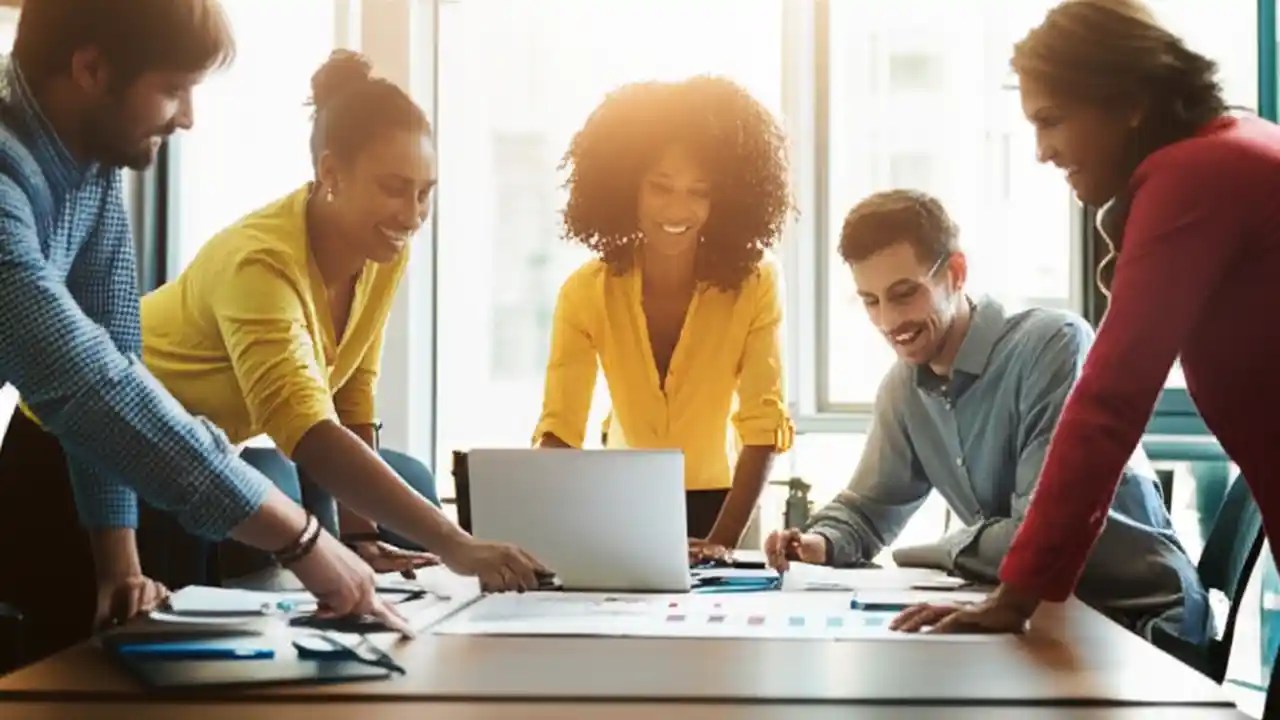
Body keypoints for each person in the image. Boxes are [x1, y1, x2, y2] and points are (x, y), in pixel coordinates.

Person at [0, 0, 410, 651]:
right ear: (91, 68)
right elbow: (88, 386)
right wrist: (305, 540)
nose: (187, 117)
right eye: (172, 89)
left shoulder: (90, 170)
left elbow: (114, 365)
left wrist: (121, 571)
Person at [889, 0, 1280, 653]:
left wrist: (1015, 597)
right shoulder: (1235, 142)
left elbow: (1110, 400)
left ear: (1127, 101)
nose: (1042, 151)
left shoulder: (1192, 176)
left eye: (1052, 121)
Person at [141, 50, 546, 591]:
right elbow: (308, 432)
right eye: (394, 188)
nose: (412, 215)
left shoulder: (381, 253)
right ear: (331, 172)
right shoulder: (259, 262)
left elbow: (351, 390)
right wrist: (455, 543)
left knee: (405, 479)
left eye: (425, 193)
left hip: (188, 455)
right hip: (98, 450)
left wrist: (360, 536)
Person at [763, 190, 1209, 643]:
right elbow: (869, 509)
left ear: (956, 273)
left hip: (1137, 621)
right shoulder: (904, 388)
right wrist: (819, 543)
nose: (888, 321)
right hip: (1034, 619)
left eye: (904, 294)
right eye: (870, 301)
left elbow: (1036, 533)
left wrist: (937, 550)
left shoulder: (1053, 345)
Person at [534, 76, 795, 553]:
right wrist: (550, 532)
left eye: (700, 191)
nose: (679, 208)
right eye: (661, 187)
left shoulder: (757, 282)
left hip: (729, 506)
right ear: (627, 187)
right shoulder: (585, 291)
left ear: (724, 199)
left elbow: (763, 425)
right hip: (622, 504)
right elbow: (559, 430)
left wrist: (721, 544)